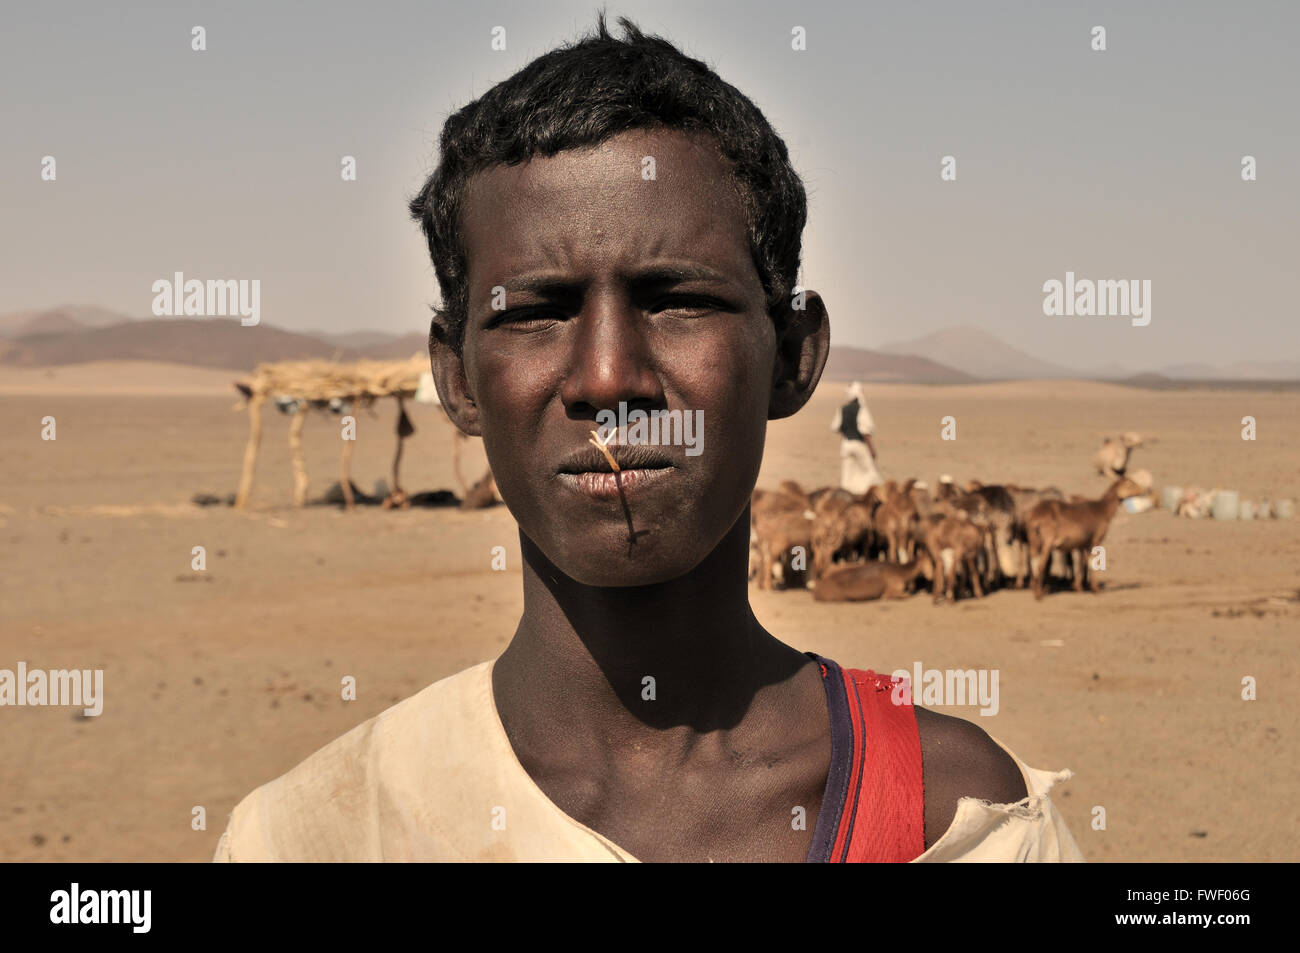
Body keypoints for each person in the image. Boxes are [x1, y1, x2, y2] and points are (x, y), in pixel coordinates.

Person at [214, 15, 1082, 863]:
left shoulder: (954, 818)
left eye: (677, 299)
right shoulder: (319, 833)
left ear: (791, 356)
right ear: (457, 379)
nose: (607, 378)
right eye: (539, 312)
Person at [832, 380, 883, 493]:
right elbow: (865, 431)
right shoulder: (861, 409)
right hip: (859, 444)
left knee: (847, 473)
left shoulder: (842, 409)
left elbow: (836, 427)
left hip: (846, 444)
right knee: (870, 471)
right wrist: (871, 449)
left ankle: (847, 493)